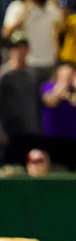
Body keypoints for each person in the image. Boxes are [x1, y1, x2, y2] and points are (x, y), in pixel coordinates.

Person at [0, 32, 42, 165]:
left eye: (22, 47)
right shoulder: (4, 76)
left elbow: (38, 103)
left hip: (31, 132)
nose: (19, 51)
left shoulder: (33, 75)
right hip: (11, 133)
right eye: (15, 47)